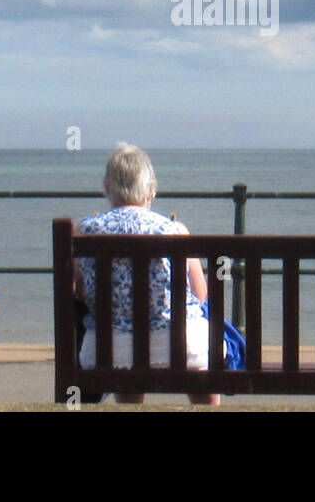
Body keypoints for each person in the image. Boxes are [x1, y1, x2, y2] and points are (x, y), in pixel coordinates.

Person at [74, 143, 219, 405]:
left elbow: (80, 292)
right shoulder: (175, 231)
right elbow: (200, 295)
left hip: (108, 352)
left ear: (107, 188)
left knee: (127, 359)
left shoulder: (84, 231)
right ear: (150, 190)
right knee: (199, 351)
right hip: (182, 349)